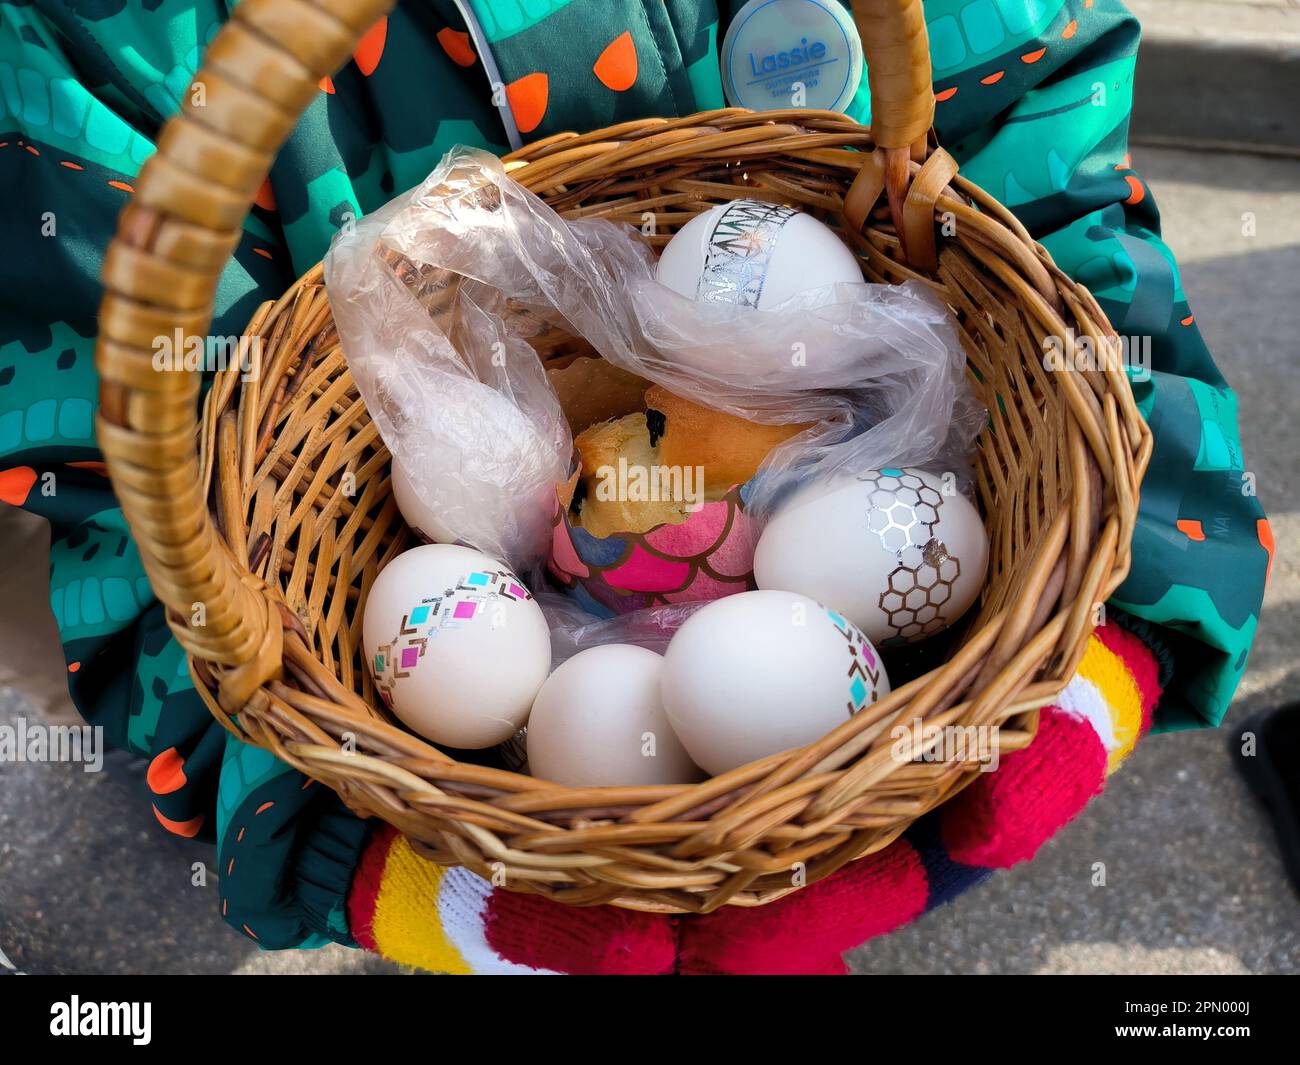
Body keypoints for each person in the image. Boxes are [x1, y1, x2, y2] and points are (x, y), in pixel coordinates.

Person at [0, 0, 1270, 973]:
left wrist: (1116, 628)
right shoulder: (115, 46)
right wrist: (379, 868)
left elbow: (1044, 191)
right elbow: (141, 511)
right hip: (436, 768)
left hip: (874, 648)